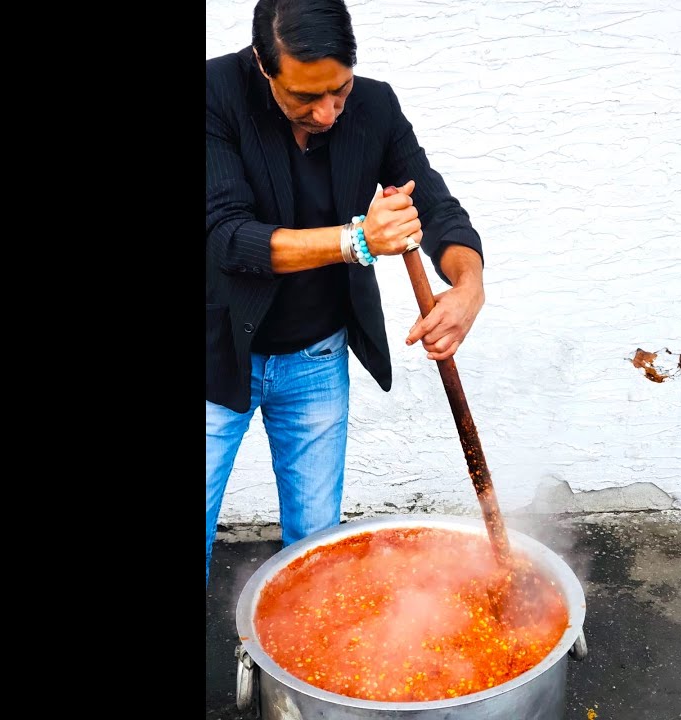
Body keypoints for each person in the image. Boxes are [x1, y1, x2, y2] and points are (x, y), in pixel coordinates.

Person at [206, 0, 486, 583]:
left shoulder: (375, 105)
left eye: (339, 89)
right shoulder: (214, 94)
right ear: (263, 64)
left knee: (315, 554)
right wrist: (356, 240)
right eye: (304, 97)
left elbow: (435, 208)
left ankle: (293, 677)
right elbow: (227, 238)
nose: (328, 112)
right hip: (215, 354)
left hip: (316, 358)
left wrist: (468, 284)